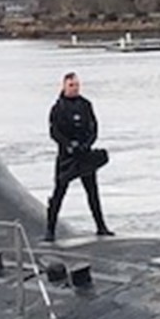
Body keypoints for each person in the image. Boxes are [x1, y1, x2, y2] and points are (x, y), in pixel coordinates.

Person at [45, 72, 112, 241]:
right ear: (64, 86)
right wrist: (68, 145)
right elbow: (54, 132)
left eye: (77, 85)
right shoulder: (58, 108)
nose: (75, 88)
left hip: (84, 155)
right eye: (71, 85)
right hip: (66, 157)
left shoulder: (85, 105)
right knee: (59, 192)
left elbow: (93, 128)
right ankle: (50, 231)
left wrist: (86, 144)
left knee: (92, 192)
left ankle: (101, 226)